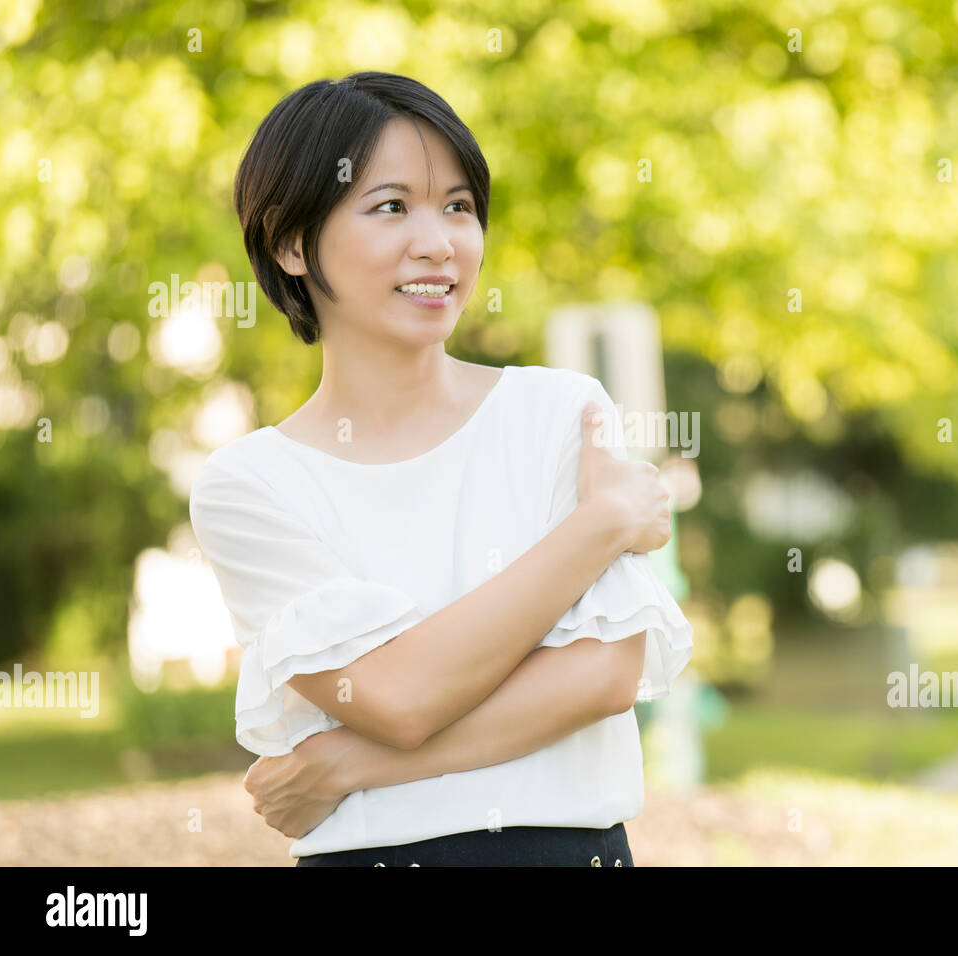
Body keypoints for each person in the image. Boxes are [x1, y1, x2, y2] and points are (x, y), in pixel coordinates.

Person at [187, 72, 694, 867]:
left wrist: (349, 764)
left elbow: (601, 676)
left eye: (458, 206)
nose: (439, 242)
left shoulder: (560, 414)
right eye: (391, 206)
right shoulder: (251, 485)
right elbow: (393, 697)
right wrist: (599, 527)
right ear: (290, 242)